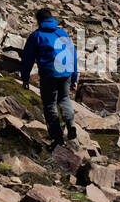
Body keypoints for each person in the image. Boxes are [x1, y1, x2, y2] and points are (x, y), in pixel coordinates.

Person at [20, 8, 78, 148]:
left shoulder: (36, 35)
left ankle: (57, 138)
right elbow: (73, 56)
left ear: (38, 21)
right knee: (64, 98)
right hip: (66, 72)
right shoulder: (62, 33)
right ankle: (71, 124)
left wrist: (25, 78)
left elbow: (27, 59)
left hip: (49, 74)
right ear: (51, 19)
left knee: (49, 104)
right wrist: (74, 78)